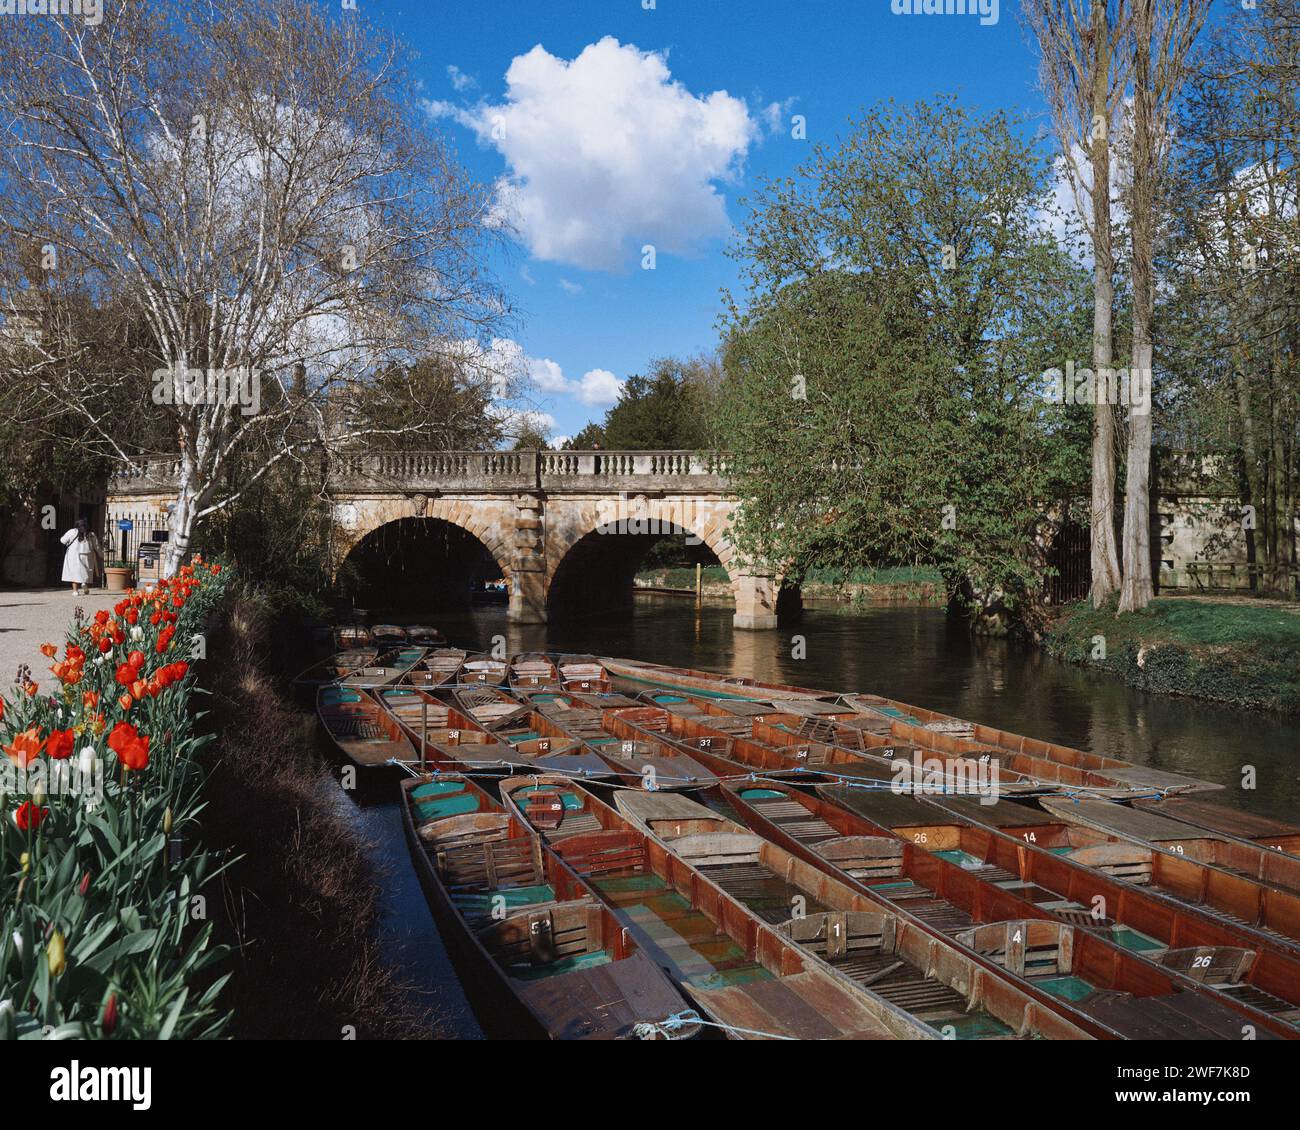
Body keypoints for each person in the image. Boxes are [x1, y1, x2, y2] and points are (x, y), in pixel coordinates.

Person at [60, 518, 102, 595]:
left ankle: (75, 591)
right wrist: (101, 555)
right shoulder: (91, 534)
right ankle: (84, 583)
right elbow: (97, 546)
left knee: (74, 572)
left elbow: (62, 540)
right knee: (85, 571)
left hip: (73, 554)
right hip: (87, 554)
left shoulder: (72, 531)